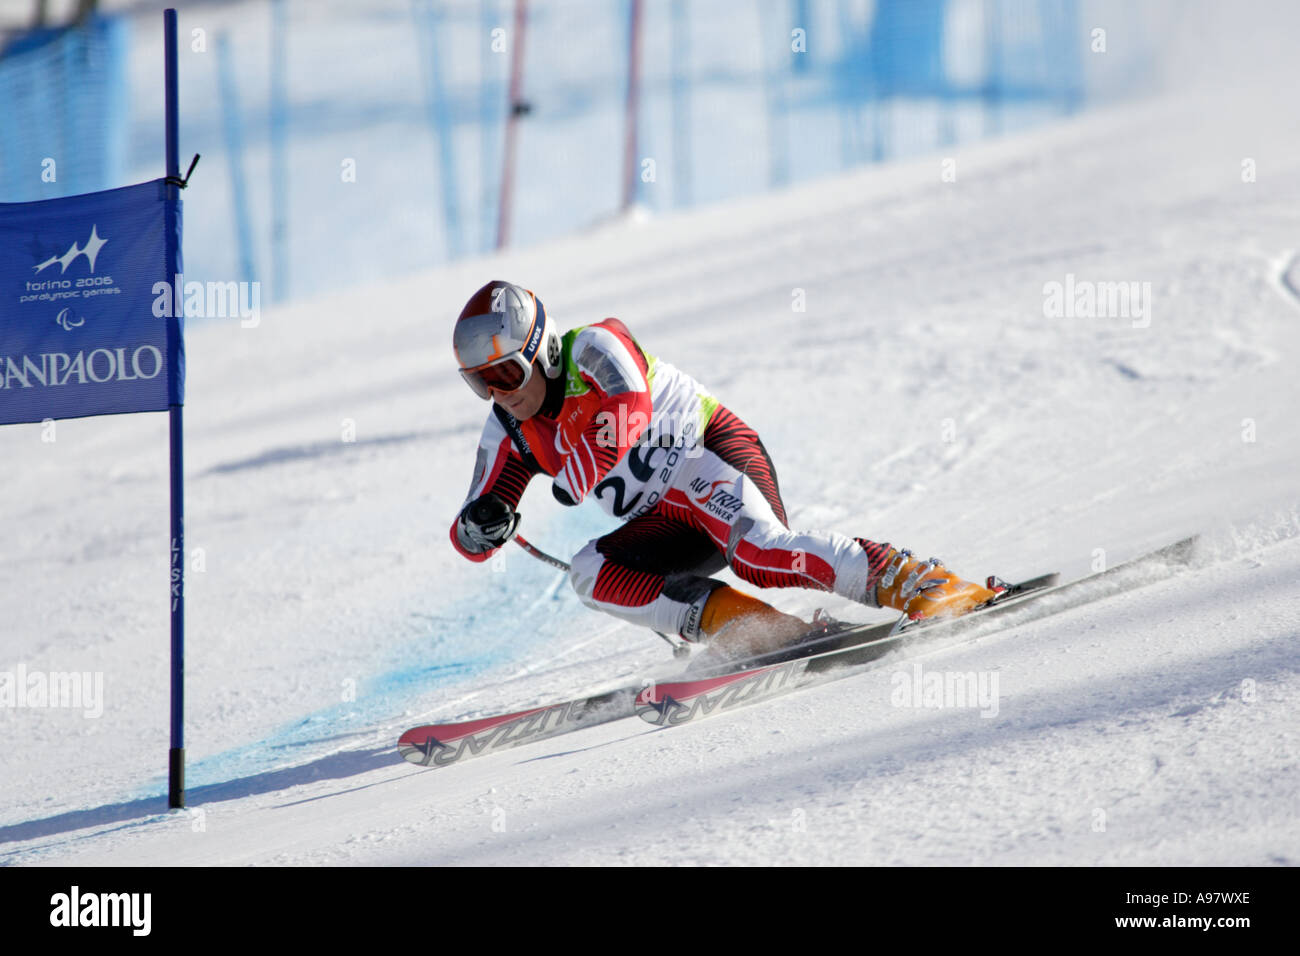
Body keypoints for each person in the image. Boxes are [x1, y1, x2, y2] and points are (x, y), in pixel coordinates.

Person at [449, 280, 998, 657]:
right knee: (589, 573)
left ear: (541, 349)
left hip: (708, 455)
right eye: (480, 382)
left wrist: (577, 474)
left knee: (760, 553)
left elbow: (629, 405)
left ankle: (928, 584)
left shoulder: (594, 346)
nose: (498, 392)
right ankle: (761, 632)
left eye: (506, 372)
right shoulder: (508, 427)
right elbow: (469, 532)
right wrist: (481, 524)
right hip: (667, 519)